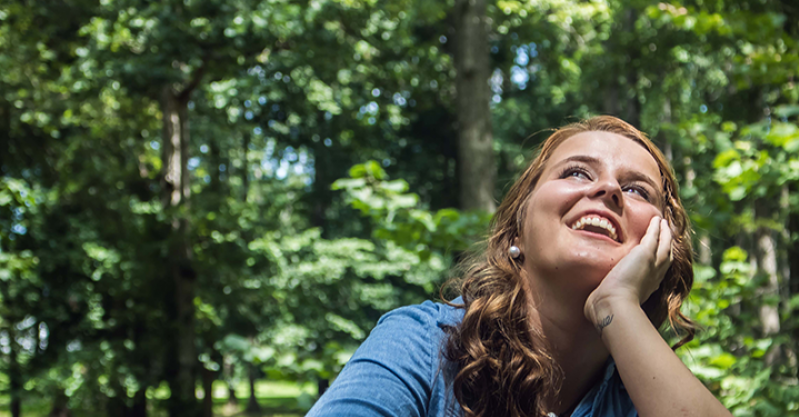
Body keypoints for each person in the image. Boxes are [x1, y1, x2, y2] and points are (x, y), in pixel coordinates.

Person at [306, 116, 732, 417]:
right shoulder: (423, 347)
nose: (607, 189)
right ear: (516, 232)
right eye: (578, 173)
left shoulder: (647, 394)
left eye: (637, 189)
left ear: (660, 246)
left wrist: (617, 306)